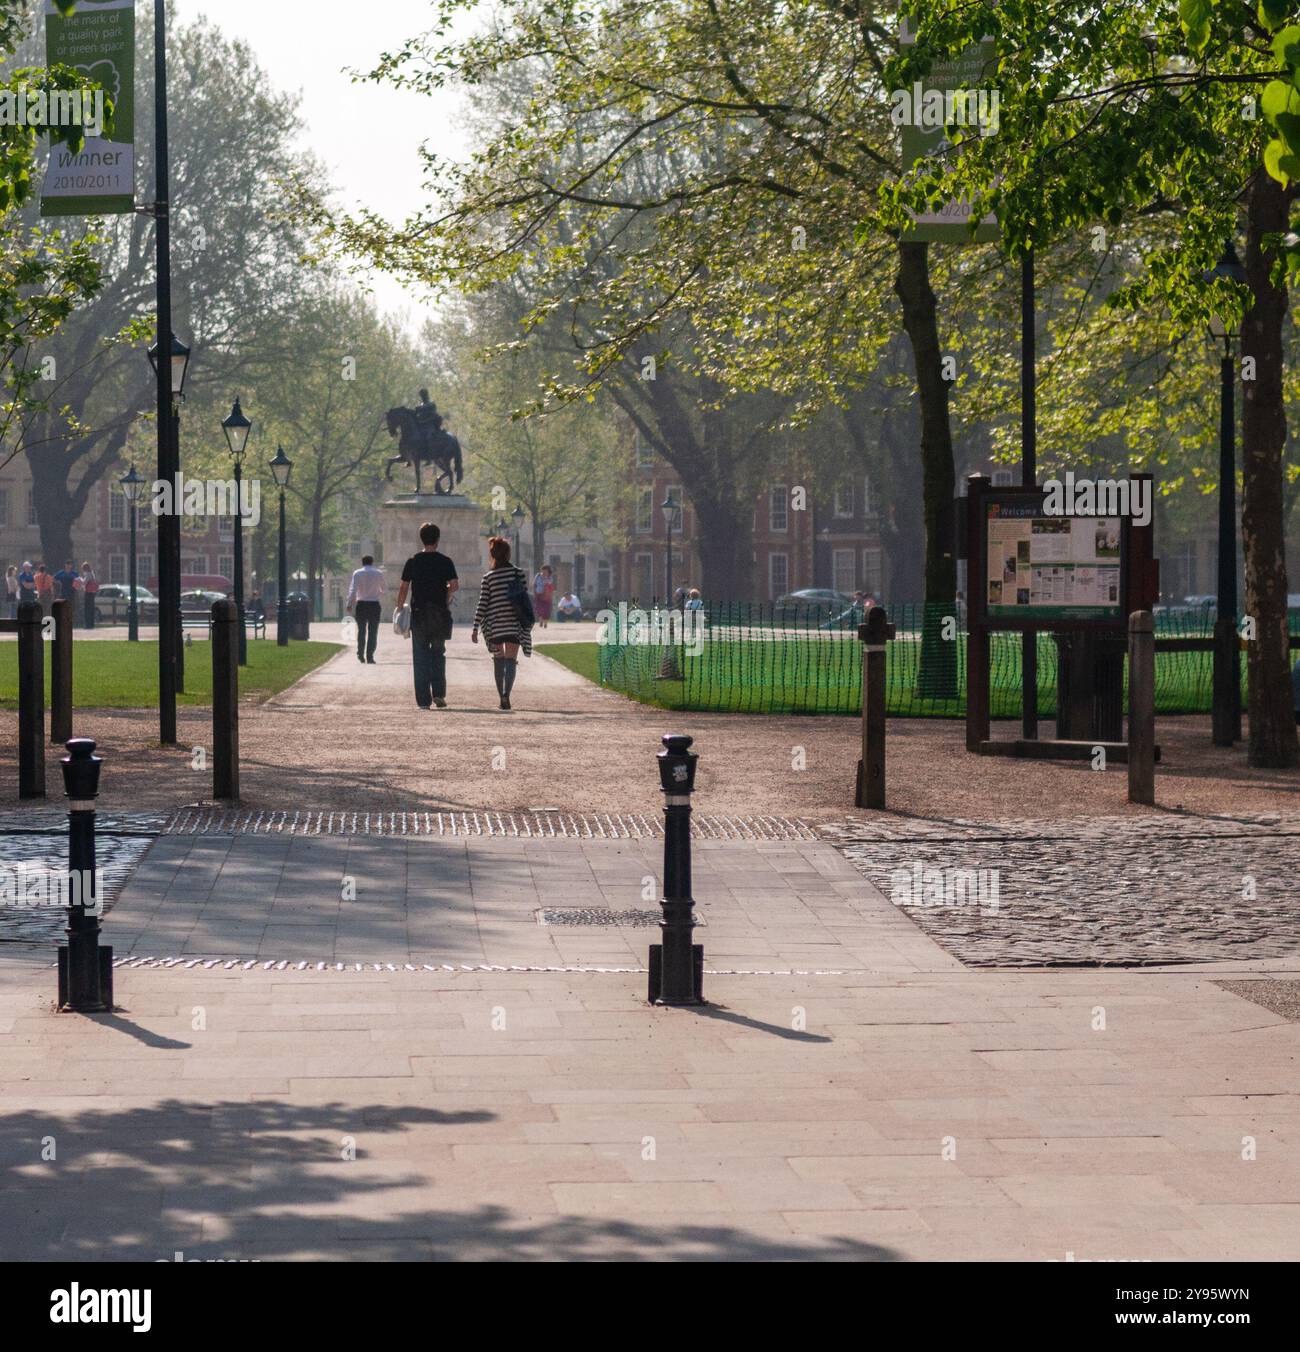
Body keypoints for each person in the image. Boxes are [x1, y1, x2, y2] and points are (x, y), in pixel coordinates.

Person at [396, 522, 458, 710]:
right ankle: (438, 693)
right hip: (439, 613)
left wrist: (399, 607)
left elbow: (404, 587)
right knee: (438, 653)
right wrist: (446, 594)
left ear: (421, 539)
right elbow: (454, 585)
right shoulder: (445, 561)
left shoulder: (413, 561)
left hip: (419, 614)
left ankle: (423, 699)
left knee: (420, 656)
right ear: (437, 540)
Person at [472, 536, 532, 710]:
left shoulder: (488, 578)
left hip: (495, 626)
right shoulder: (518, 573)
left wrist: (475, 627)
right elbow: (523, 598)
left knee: (498, 660)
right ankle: (507, 694)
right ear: (507, 553)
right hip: (514, 624)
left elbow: (482, 604)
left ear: (492, 555)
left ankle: (501, 697)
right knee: (511, 661)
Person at [346, 554, 387, 664]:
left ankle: (360, 653)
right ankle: (370, 656)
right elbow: (384, 589)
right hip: (374, 604)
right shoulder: (378, 573)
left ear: (362, 562)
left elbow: (353, 590)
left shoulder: (357, 573)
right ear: (372, 562)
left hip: (362, 604)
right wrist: (378, 591)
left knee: (361, 631)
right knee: (373, 631)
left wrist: (349, 603)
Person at [532, 563, 555, 628]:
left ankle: (545, 623)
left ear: (548, 571)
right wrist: (534, 592)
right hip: (539, 594)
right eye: (543, 570)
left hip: (547, 596)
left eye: (545, 570)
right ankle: (541, 621)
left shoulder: (550, 577)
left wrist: (545, 578)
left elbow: (549, 584)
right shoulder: (538, 575)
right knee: (539, 609)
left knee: (547, 610)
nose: (544, 572)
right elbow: (534, 584)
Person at [80, 563, 98, 629]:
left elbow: (84, 582)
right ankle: (91, 624)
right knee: (91, 608)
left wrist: (80, 579)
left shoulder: (88, 574)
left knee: (87, 609)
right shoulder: (92, 573)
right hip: (92, 593)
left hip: (88, 593)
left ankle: (87, 625)